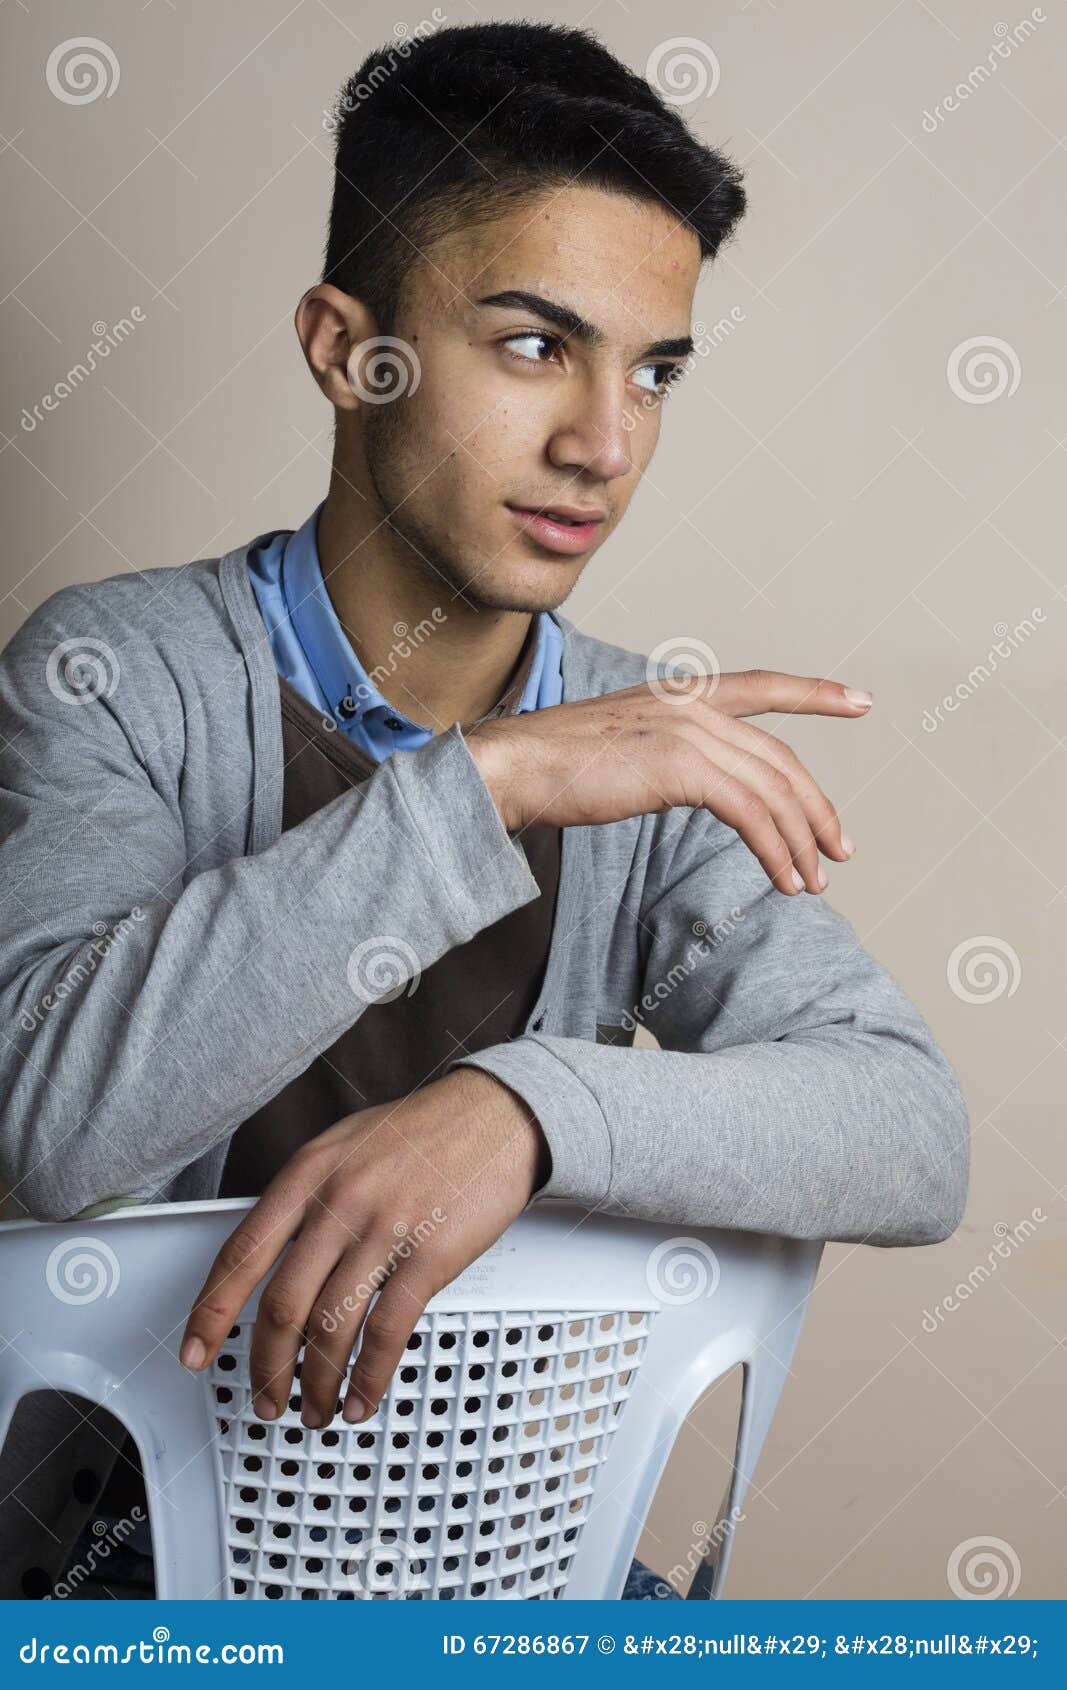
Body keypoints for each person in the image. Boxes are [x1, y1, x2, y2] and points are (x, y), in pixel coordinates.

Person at [0, 20, 968, 1603]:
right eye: (533, 346)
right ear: (346, 350)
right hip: (136, 1573)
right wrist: (490, 782)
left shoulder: (650, 749)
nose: (605, 443)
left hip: (507, 1565)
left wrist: (525, 1106)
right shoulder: (117, 673)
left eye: (654, 371)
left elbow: (910, 1131)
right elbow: (56, 1127)